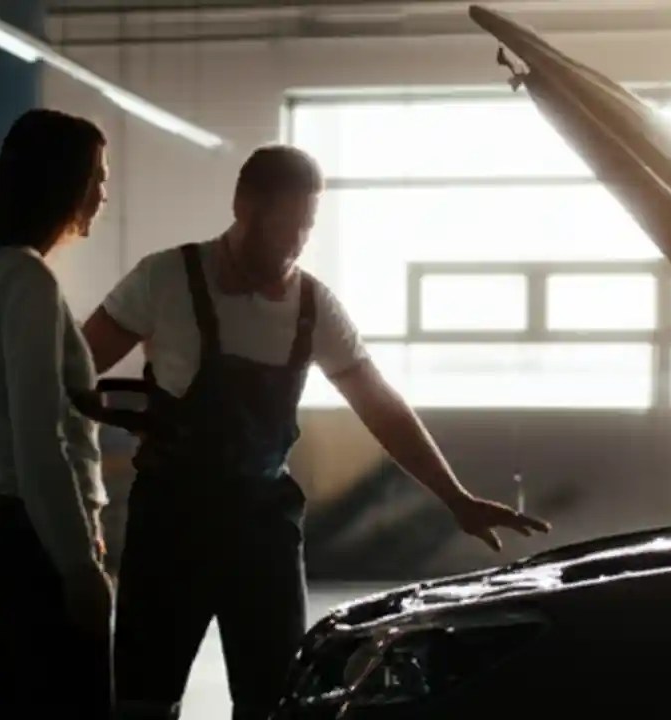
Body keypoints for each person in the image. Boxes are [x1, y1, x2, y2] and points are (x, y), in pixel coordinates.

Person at [81, 144, 551, 719]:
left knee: (272, 702)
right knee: (143, 699)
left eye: (306, 228)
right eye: (284, 226)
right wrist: (75, 490)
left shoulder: (314, 306)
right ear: (243, 207)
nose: (295, 244)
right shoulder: (165, 278)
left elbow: (382, 407)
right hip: (170, 524)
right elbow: (72, 371)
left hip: (262, 529)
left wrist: (455, 497)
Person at [0, 108, 113, 718]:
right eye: (96, 174)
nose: (103, 190)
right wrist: (78, 565)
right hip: (37, 545)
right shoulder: (29, 281)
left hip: (11, 533)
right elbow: (40, 443)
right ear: (59, 179)